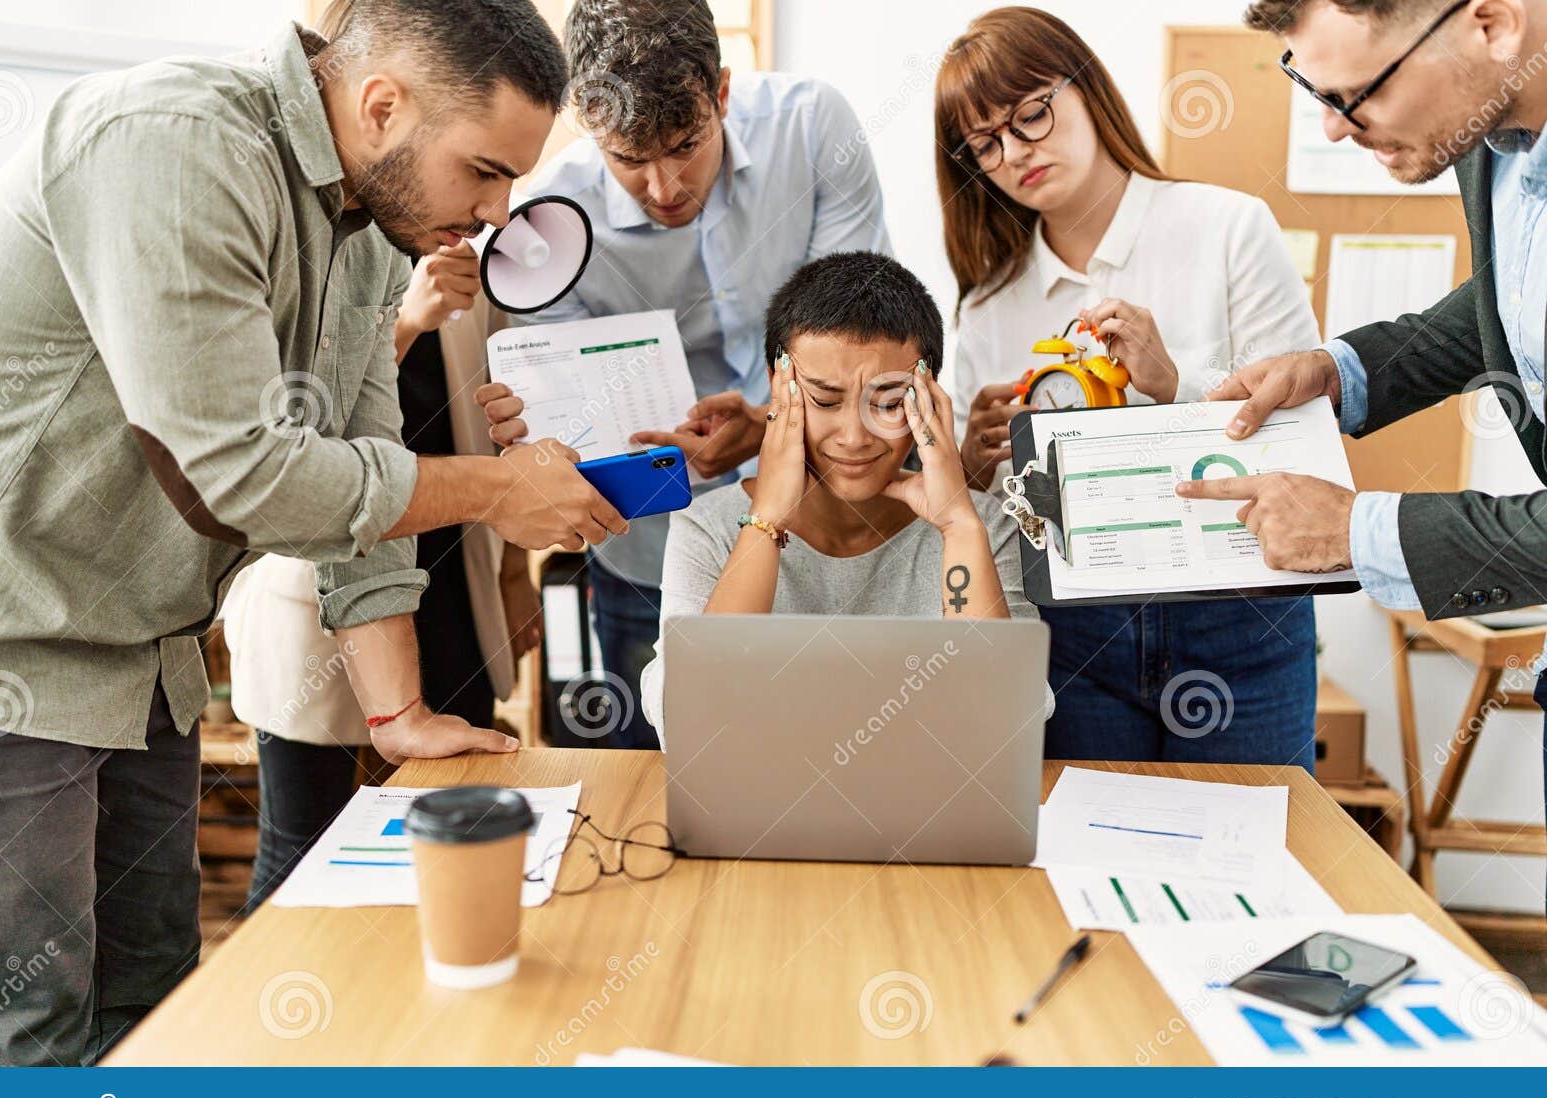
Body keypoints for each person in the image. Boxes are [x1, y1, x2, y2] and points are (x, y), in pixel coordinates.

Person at [0, 0, 627, 1066]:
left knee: (155, 1011)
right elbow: (241, 473)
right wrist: (494, 492)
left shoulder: (364, 226)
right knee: (26, 1044)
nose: (499, 213)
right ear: (382, 104)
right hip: (0, 649)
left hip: (141, 660)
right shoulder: (173, 146)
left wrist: (397, 711)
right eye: (485, 170)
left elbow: (362, 460)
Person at [1201, 0, 1547, 905]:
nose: (1330, 127)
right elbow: (1507, 302)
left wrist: (1358, 532)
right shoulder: (1497, 132)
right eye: (1314, 92)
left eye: (1356, 96)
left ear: (1491, 24)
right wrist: (1341, 371)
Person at [479, 0, 892, 748]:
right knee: (662, 772)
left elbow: (865, 346)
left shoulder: (814, 130)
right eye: (628, 160)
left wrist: (767, 428)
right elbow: (570, 432)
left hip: (824, 532)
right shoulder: (544, 229)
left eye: (685, 145)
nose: (663, 186)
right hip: (649, 555)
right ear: (587, 126)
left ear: (722, 93)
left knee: (832, 764)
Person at [935, 7, 1324, 769]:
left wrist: (1176, 381)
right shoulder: (989, 303)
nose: (1015, 152)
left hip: (1241, 614)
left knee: (1261, 853)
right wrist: (977, 461)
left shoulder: (1229, 228)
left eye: (1031, 116)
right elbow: (986, 508)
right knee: (1090, 859)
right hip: (1079, 625)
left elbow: (1308, 435)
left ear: (1088, 89)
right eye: (985, 143)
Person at [225, 242, 543, 913]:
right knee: (302, 846)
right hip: (316, 595)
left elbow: (505, 447)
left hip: (455, 587)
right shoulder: (304, 258)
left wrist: (516, 580)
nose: (490, 211)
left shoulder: (470, 270)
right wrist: (402, 323)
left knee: (459, 833)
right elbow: (291, 442)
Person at [640, 251, 1049, 746]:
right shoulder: (708, 527)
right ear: (778, 387)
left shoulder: (985, 528)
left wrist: (959, 529)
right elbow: (692, 725)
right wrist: (766, 520)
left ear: (929, 396)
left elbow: (1002, 729)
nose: (855, 437)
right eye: (826, 401)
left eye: (890, 402)